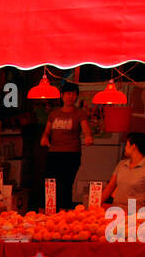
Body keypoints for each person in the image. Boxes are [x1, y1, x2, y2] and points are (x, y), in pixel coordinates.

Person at [40, 81, 93, 211]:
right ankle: (49, 209)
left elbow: (86, 129)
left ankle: (64, 211)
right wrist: (44, 138)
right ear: (62, 95)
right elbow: (46, 132)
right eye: (68, 94)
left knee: (66, 183)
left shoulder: (79, 113)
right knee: (51, 183)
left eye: (74, 94)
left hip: (71, 153)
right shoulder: (54, 114)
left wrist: (88, 137)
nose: (71, 97)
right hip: (54, 153)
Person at [102, 132, 145, 211]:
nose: (125, 148)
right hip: (117, 209)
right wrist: (96, 203)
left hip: (135, 211)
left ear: (133, 146)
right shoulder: (122, 164)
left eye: (126, 144)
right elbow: (110, 186)